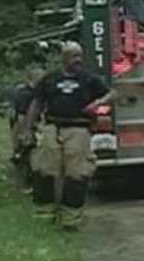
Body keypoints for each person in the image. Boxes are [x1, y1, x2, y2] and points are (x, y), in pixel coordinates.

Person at [19, 42, 113, 231]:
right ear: (63, 58)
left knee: (77, 175)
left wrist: (97, 104)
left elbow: (112, 94)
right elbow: (36, 103)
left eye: (79, 56)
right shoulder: (50, 79)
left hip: (78, 129)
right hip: (52, 128)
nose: (77, 60)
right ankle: (43, 218)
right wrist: (28, 129)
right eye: (73, 56)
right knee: (44, 171)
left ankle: (71, 220)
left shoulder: (89, 79)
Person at [8, 65, 45, 192]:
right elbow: (21, 116)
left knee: (28, 154)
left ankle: (27, 183)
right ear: (34, 78)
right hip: (23, 127)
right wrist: (23, 133)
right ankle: (24, 185)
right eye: (41, 78)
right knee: (25, 155)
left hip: (30, 126)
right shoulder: (26, 94)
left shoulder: (32, 93)